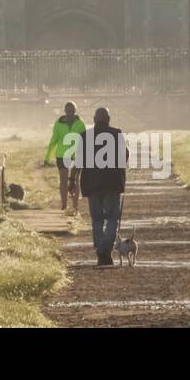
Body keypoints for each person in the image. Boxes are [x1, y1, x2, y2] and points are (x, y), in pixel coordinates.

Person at [76, 106, 127, 267]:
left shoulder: (85, 136)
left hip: (92, 184)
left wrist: (72, 179)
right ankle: (105, 248)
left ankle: (100, 249)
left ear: (94, 120)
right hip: (112, 183)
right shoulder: (117, 134)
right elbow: (124, 155)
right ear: (108, 120)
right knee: (112, 217)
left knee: (97, 219)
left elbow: (78, 160)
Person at [43, 102, 85, 214]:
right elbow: (54, 140)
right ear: (65, 111)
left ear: (75, 111)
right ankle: (64, 205)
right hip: (62, 155)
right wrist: (47, 157)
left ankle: (75, 207)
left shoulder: (80, 124)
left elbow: (84, 142)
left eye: (72, 111)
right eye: (68, 111)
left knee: (75, 180)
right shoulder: (59, 123)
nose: (70, 113)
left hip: (76, 156)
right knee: (63, 179)